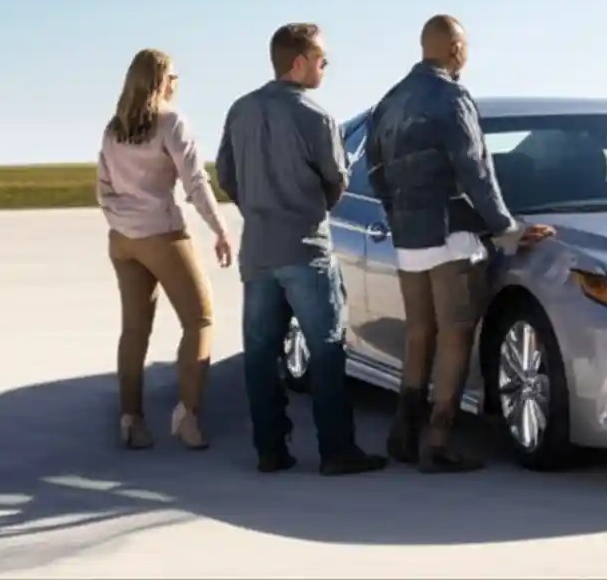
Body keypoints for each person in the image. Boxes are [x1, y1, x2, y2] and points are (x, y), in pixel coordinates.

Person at [365, 14, 556, 473]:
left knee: (418, 333)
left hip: (409, 237)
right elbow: (475, 169)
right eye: (465, 46)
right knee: (455, 335)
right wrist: (506, 228)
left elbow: (374, 171)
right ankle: (438, 442)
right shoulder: (451, 97)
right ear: (455, 50)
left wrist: (398, 219)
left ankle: (402, 433)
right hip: (451, 233)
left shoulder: (388, 102)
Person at [215, 23, 388, 475]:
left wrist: (258, 207)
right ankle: (336, 450)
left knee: (259, 352)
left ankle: (270, 449)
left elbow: (226, 175)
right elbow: (337, 181)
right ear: (299, 62)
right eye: (322, 59)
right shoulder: (318, 118)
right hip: (306, 249)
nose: (326, 67)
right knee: (327, 350)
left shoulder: (240, 111)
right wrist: (309, 207)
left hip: (258, 251)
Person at [96, 48, 233, 451]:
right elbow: (196, 184)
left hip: (122, 241)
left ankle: (130, 418)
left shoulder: (113, 129)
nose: (176, 82)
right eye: (173, 75)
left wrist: (122, 223)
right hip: (162, 235)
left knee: (134, 329)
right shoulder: (171, 123)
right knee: (200, 320)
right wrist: (221, 229)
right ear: (158, 80)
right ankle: (187, 415)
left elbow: (102, 188)